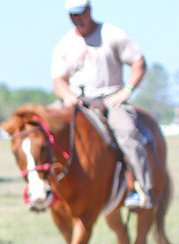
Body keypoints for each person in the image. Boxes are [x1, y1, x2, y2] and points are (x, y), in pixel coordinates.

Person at [50, 0, 155, 210]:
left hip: (109, 100)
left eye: (80, 13)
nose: (76, 18)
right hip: (77, 100)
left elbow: (139, 63)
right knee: (43, 129)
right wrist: (68, 96)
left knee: (127, 133)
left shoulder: (112, 35)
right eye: (72, 14)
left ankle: (142, 189)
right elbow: (59, 81)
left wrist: (127, 91)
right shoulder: (65, 44)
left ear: (89, 10)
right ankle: (43, 189)